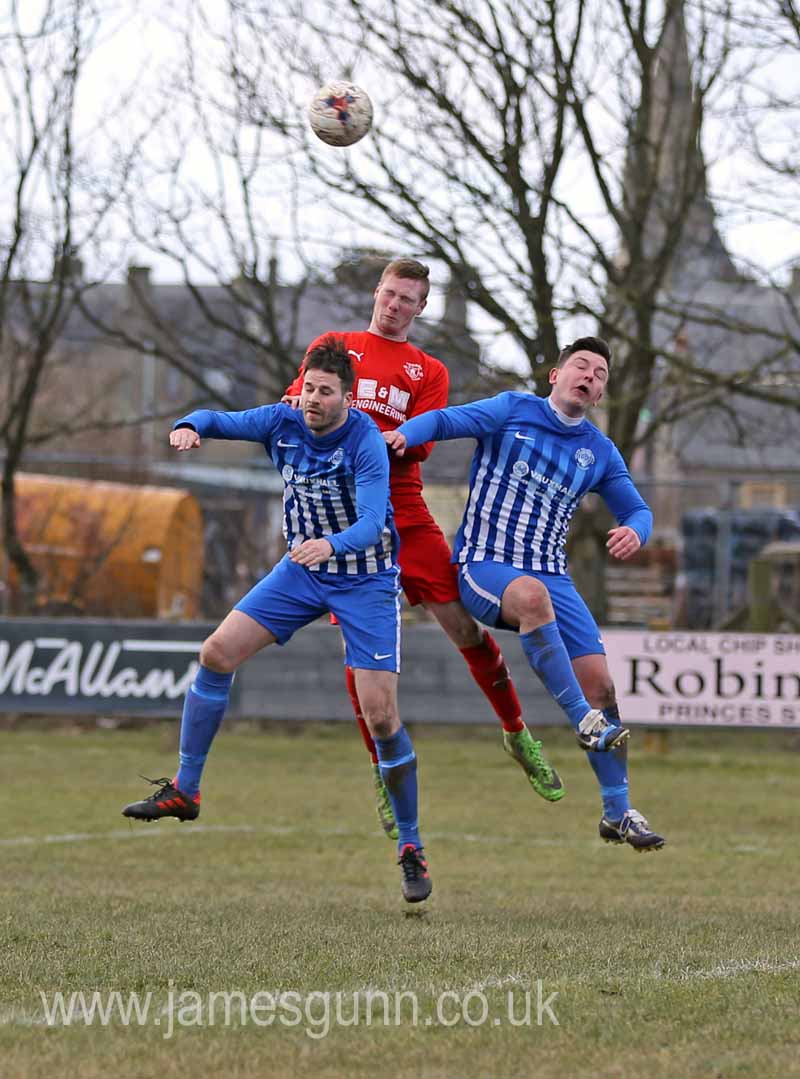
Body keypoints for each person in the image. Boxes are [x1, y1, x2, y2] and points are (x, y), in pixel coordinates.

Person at [122, 338, 432, 903]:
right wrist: (189, 425)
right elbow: (217, 416)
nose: (313, 399)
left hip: (363, 578)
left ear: (347, 396)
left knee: (382, 716)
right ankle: (185, 791)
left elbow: (369, 524)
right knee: (215, 654)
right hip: (300, 571)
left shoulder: (364, 441)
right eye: (308, 387)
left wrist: (329, 545)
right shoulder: (281, 420)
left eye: (325, 392)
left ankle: (410, 847)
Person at [283, 258, 564, 837]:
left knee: (464, 627)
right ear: (376, 293)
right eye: (389, 293)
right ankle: (383, 772)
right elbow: (299, 410)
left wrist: (370, 435)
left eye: (407, 299)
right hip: (341, 519)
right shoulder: (334, 346)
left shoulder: (427, 370)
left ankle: (516, 732)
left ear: (421, 308)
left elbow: (419, 442)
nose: (394, 305)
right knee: (362, 658)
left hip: (404, 513)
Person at [384, 337, 665, 852]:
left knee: (603, 687)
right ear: (555, 375)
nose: (590, 376)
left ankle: (618, 812)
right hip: (484, 566)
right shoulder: (512, 409)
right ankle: (582, 722)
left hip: (551, 575)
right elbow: (446, 421)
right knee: (536, 601)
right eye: (581, 365)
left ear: (601, 393)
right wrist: (403, 433)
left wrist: (636, 532)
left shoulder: (599, 452)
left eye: (600, 374)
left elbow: (639, 510)